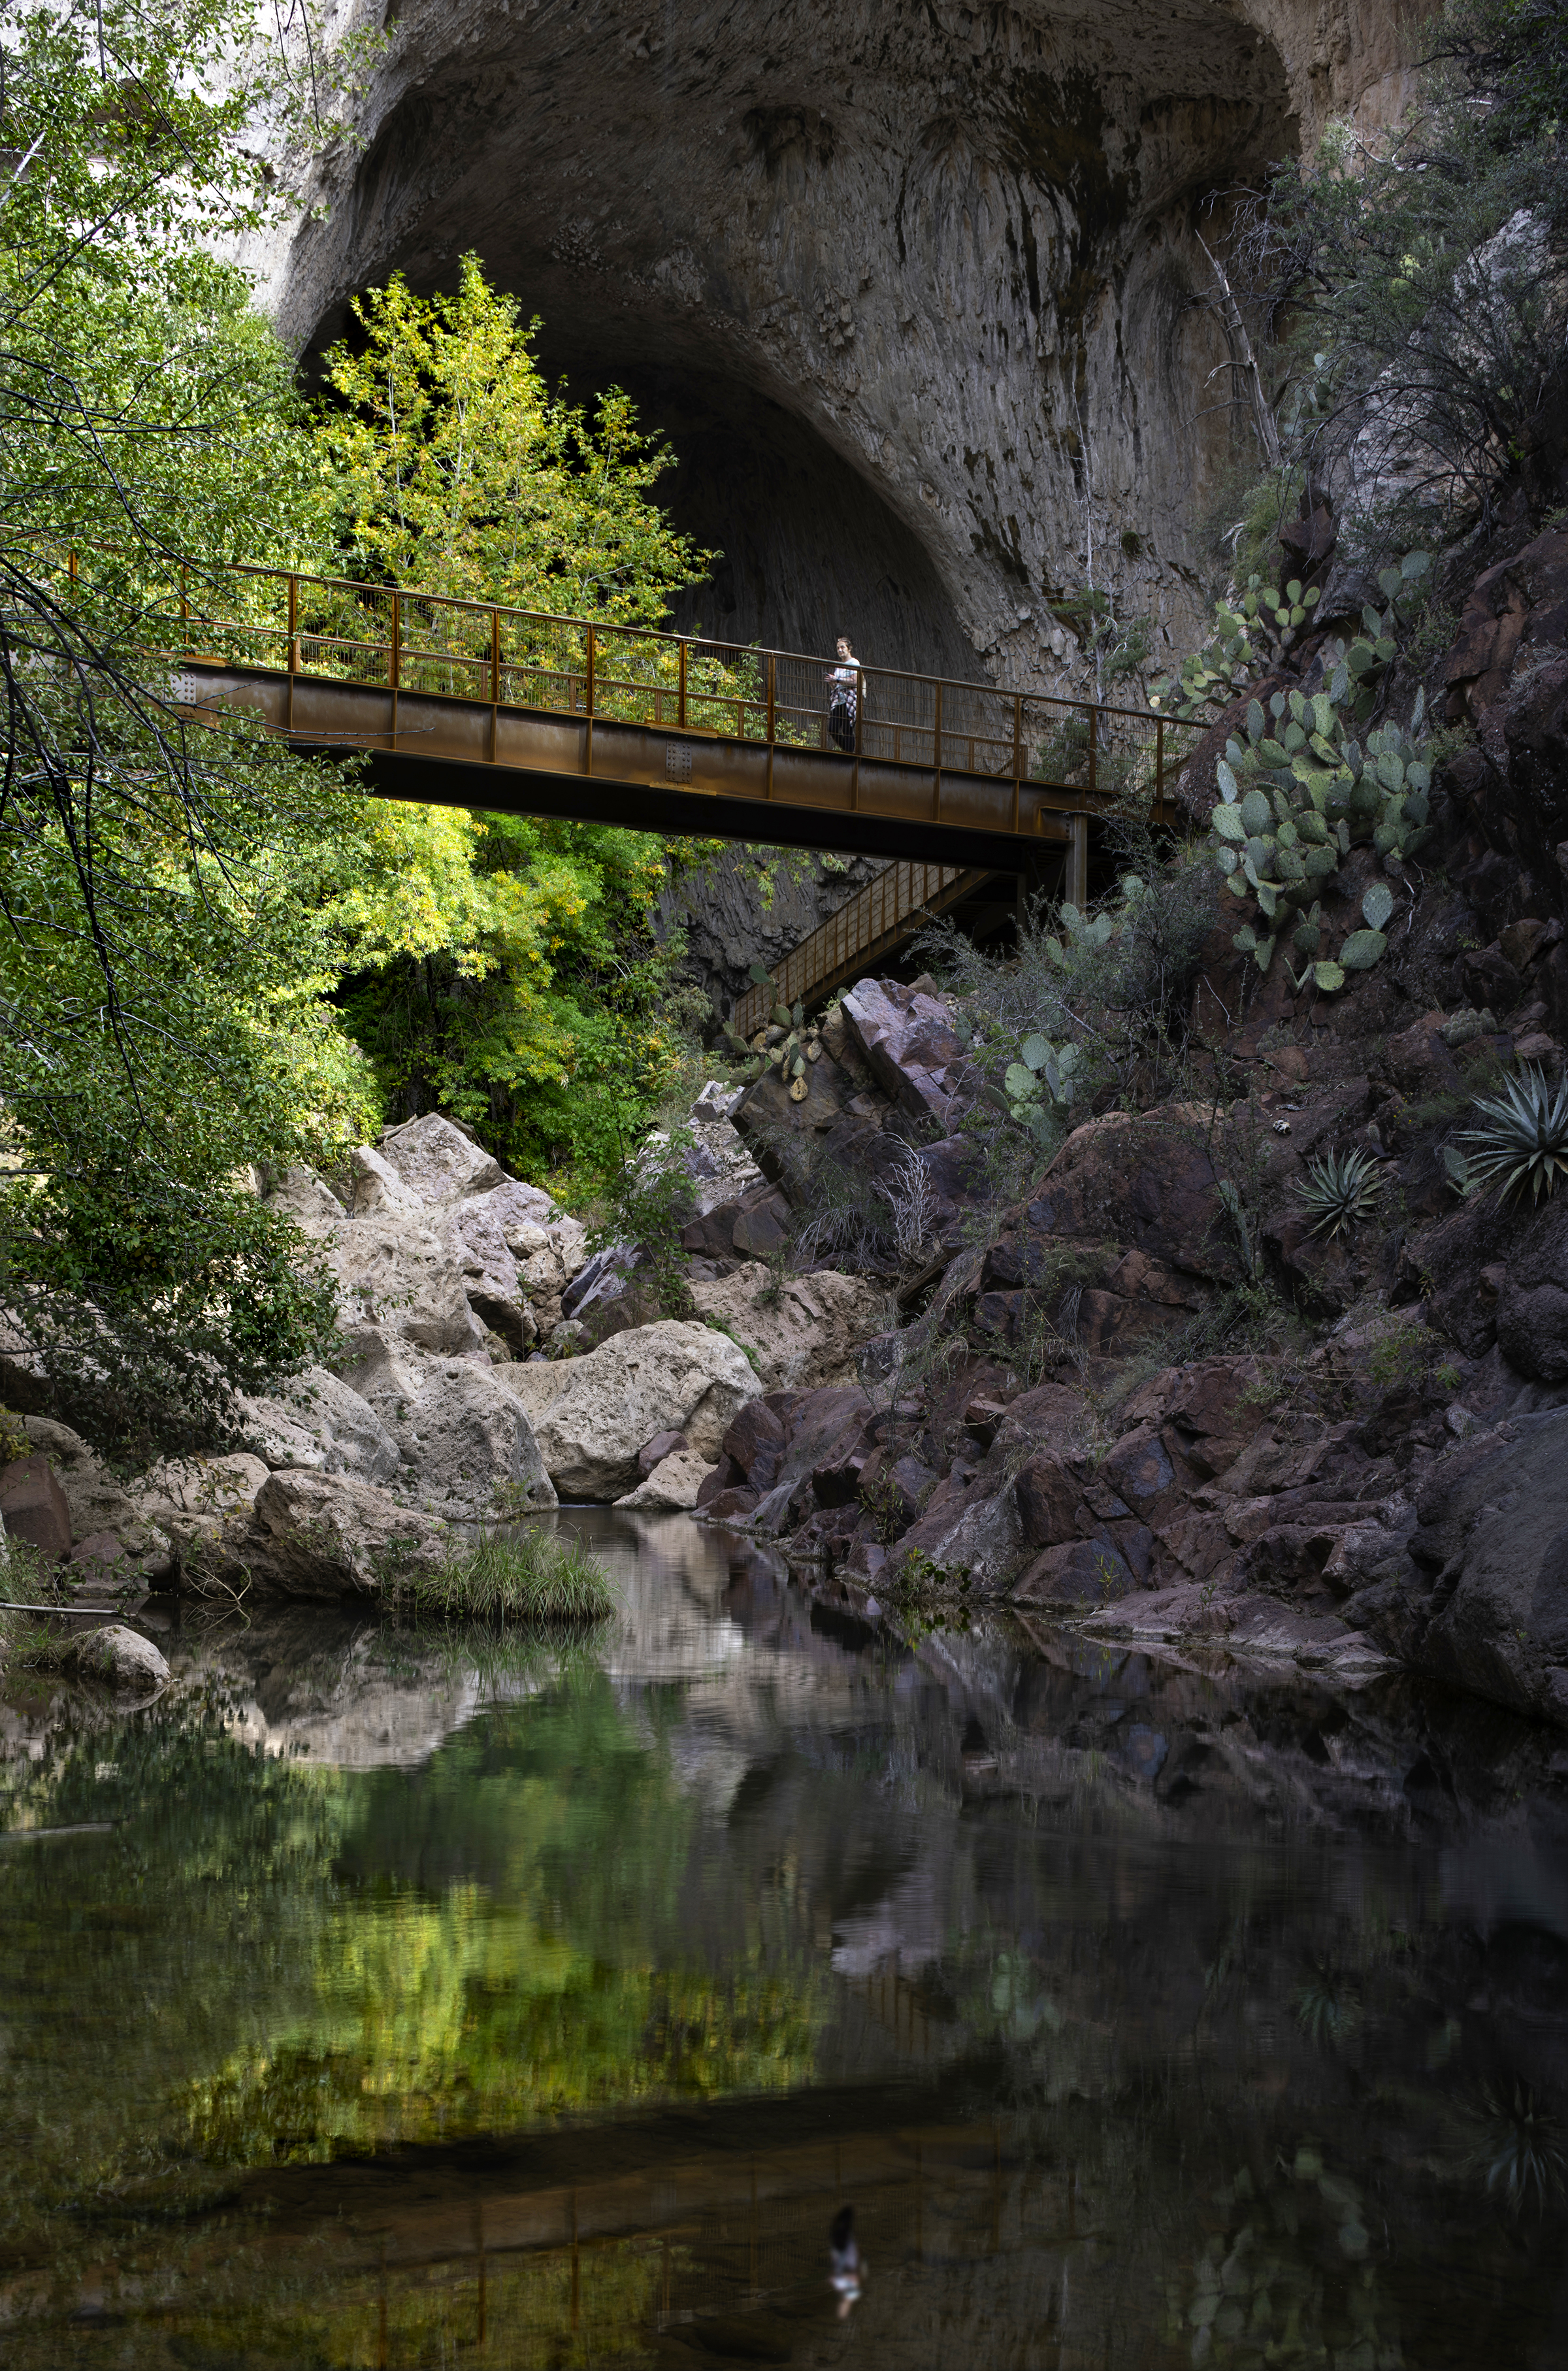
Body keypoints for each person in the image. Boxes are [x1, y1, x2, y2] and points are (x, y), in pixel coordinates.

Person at [826, 635, 860, 752]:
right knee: (832, 728)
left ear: (849, 648)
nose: (840, 650)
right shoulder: (839, 666)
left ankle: (849, 754)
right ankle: (847, 750)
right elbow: (837, 685)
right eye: (838, 648)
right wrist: (832, 682)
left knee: (847, 728)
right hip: (839, 699)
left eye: (842, 647)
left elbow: (855, 681)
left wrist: (838, 680)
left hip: (849, 699)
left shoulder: (854, 662)